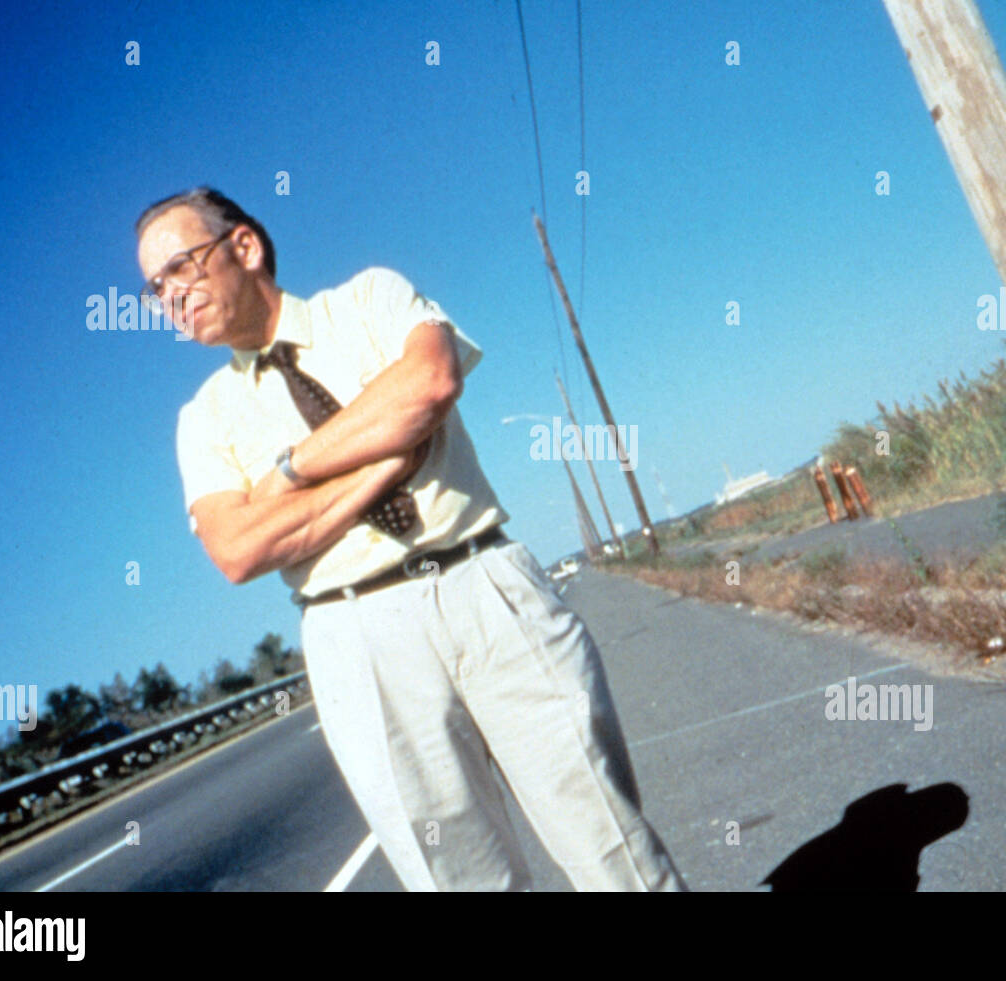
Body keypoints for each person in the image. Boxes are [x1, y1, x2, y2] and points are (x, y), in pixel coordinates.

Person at [135, 187, 688, 892]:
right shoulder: (203, 418)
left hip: (485, 584)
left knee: (613, 850)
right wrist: (383, 461)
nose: (170, 296)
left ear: (243, 247)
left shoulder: (368, 299)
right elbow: (238, 549)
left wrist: (289, 472)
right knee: (459, 878)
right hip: (356, 636)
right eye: (154, 288)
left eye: (181, 266)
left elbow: (428, 383)